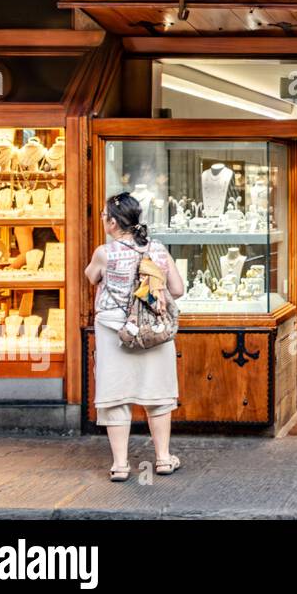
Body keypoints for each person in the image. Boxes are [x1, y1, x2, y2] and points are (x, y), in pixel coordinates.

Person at [84, 192, 187, 482]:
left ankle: (120, 465)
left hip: (115, 332)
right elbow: (177, 289)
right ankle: (164, 459)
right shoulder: (158, 250)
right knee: (158, 393)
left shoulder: (105, 252)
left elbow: (91, 276)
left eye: (105, 216)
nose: (103, 220)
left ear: (114, 223)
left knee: (115, 395)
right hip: (154, 331)